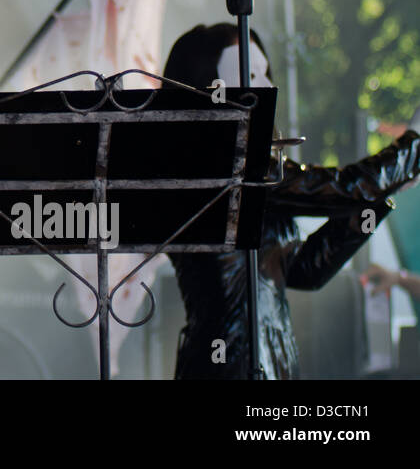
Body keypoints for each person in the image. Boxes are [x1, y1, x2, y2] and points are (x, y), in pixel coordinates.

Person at [162, 23, 420, 379]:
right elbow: (348, 187)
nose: (267, 86)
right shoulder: (225, 164)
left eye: (266, 73)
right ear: (209, 87)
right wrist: (411, 147)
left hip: (271, 356)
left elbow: (302, 269)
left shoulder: (248, 171)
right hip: (231, 365)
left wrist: (382, 192)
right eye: (251, 74)